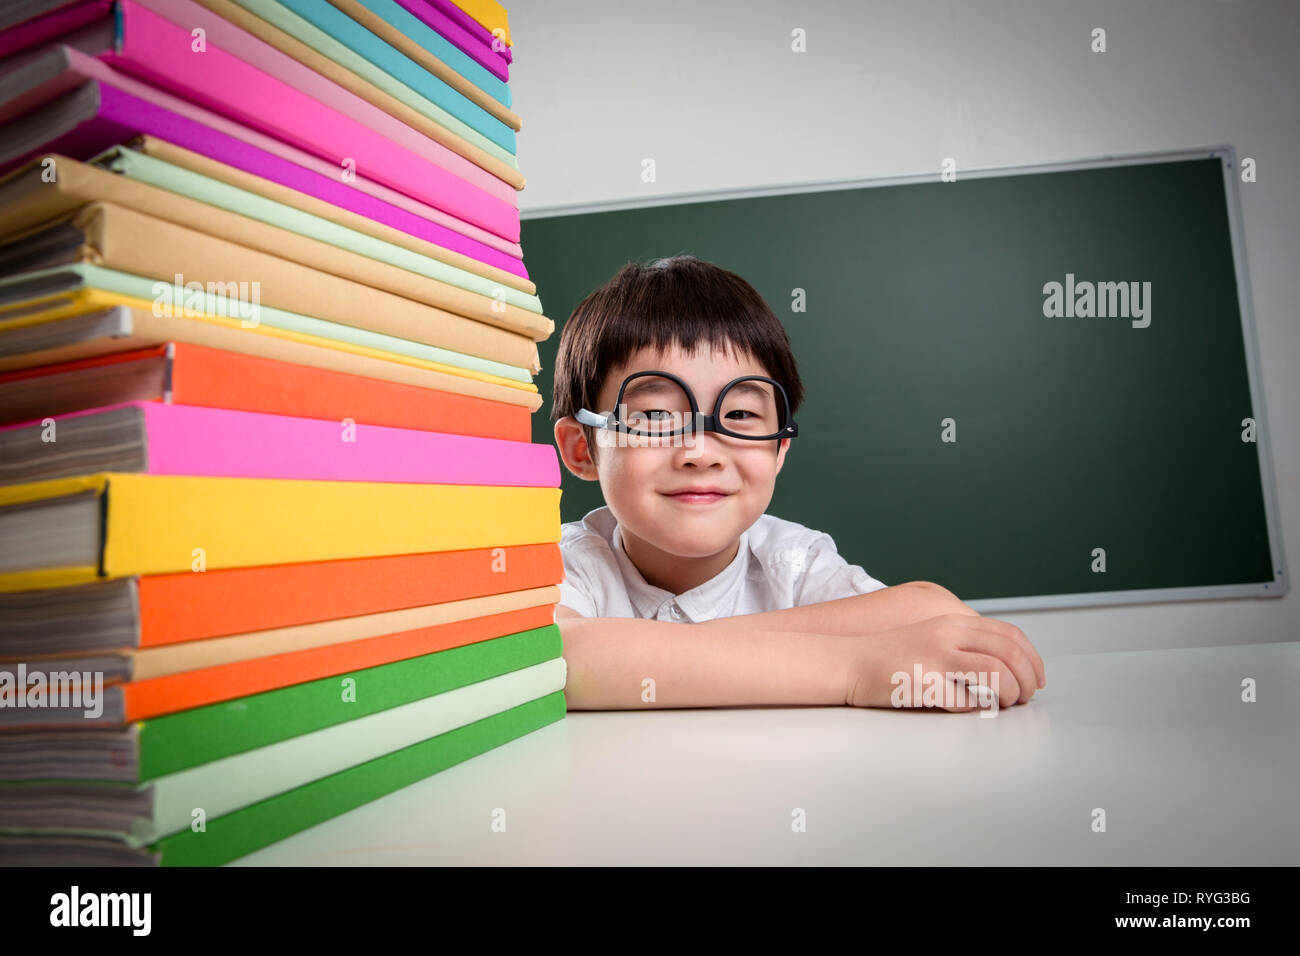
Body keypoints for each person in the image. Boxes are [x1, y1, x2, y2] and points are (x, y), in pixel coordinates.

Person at [550, 255, 1044, 711]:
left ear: (779, 447)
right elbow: (558, 659)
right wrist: (855, 667)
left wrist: (653, 656)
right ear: (581, 448)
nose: (700, 452)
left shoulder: (793, 562)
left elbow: (933, 611)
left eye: (740, 413)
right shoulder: (571, 562)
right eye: (656, 415)